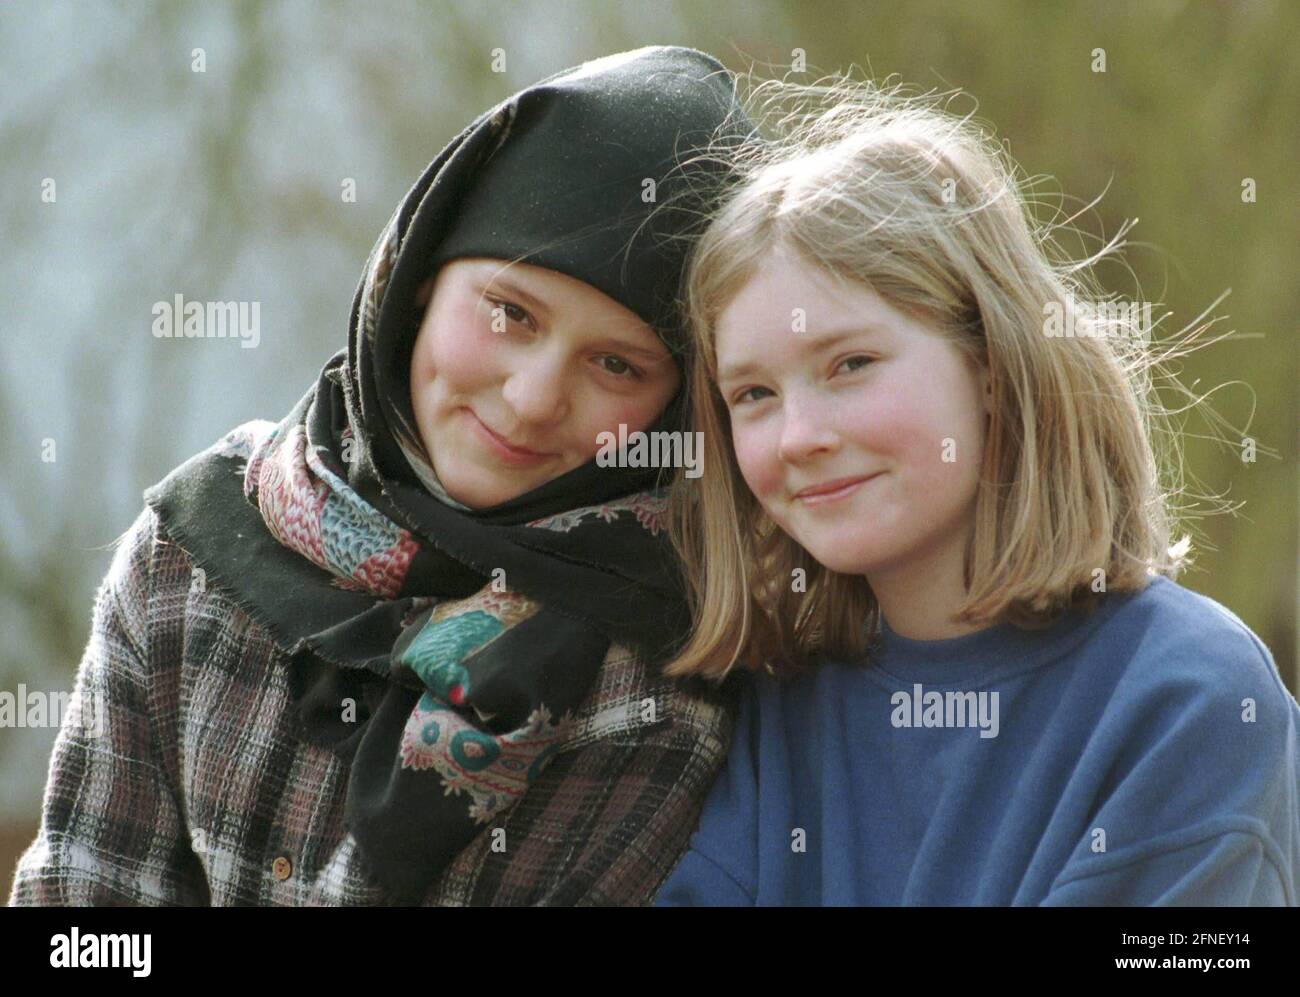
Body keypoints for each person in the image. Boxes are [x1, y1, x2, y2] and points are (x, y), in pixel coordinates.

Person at [9, 45, 756, 906]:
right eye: (510, 312)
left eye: (617, 365)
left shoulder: (660, 670)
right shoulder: (191, 552)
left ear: (679, 408)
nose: (534, 395)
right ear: (416, 284)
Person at [653, 73, 1300, 905]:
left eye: (851, 365)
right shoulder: (768, 709)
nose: (799, 434)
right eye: (754, 395)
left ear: (992, 366)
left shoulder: (1191, 698)